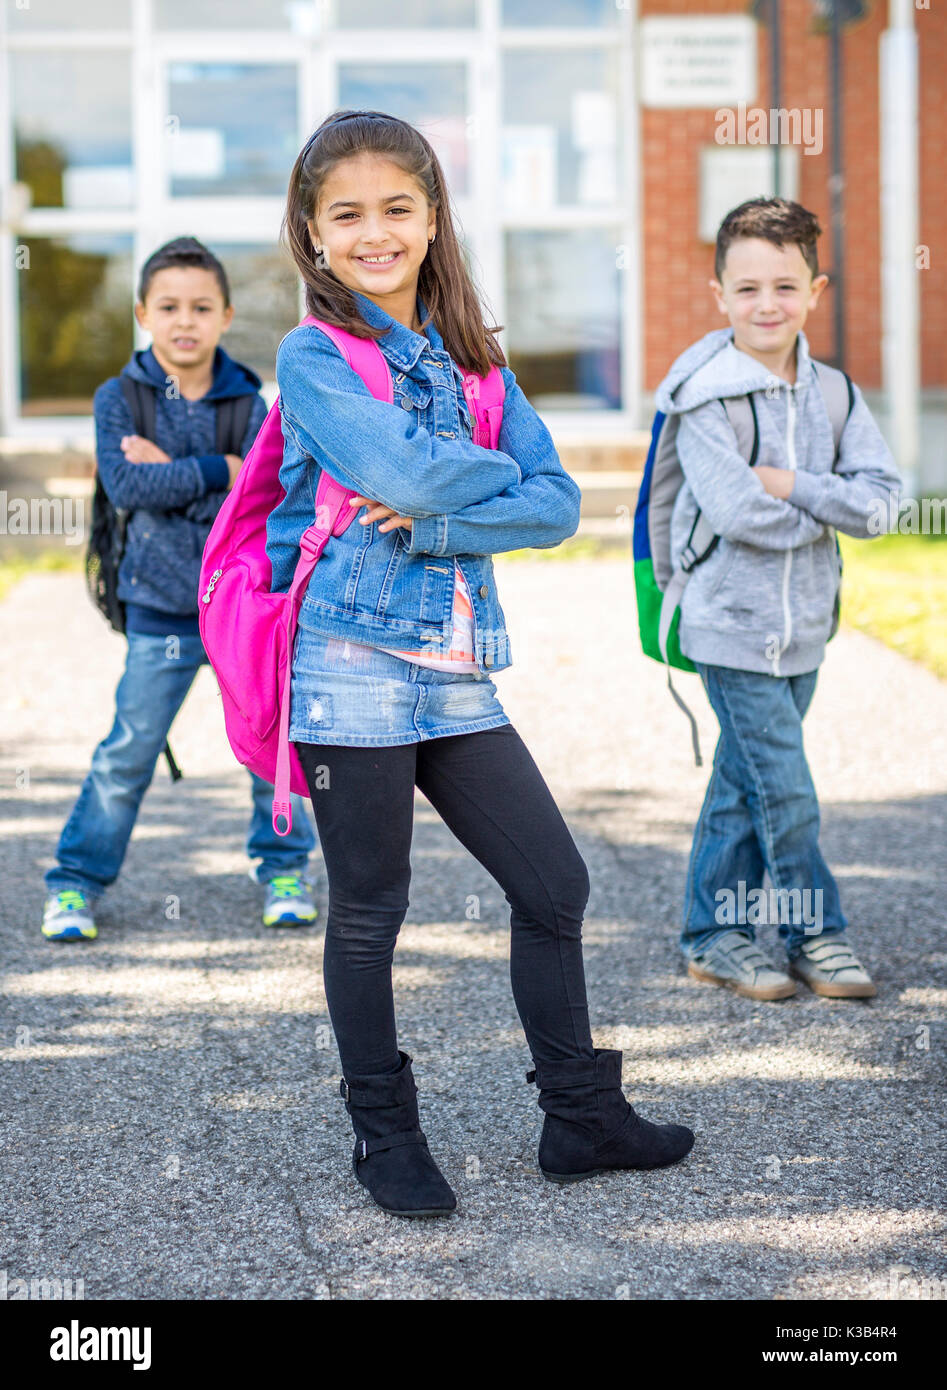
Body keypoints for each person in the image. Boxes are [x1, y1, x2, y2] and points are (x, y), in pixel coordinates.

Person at [269, 109, 695, 1218]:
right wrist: (466, 480)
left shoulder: (475, 358)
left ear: (431, 217)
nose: (375, 232)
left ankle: (579, 1116)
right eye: (347, 214)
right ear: (314, 234)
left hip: (454, 665)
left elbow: (555, 502)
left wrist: (444, 507)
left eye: (396, 209)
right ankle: (384, 1138)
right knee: (370, 909)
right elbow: (397, 475)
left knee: (554, 884)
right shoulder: (315, 355)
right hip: (349, 658)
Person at [654, 197, 901, 1002]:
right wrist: (829, 508)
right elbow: (737, 513)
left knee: (741, 784)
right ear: (718, 293)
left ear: (815, 291)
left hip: (805, 629)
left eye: (785, 287)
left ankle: (710, 935)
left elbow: (884, 504)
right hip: (727, 625)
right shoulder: (702, 395)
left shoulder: (832, 393)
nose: (768, 305)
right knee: (785, 788)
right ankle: (814, 934)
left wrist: (794, 483)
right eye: (748, 288)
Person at [42, 237, 318, 942]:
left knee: (271, 744)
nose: (184, 321)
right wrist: (217, 470)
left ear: (226, 315)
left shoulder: (250, 400)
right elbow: (128, 485)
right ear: (143, 314)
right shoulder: (120, 398)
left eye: (201, 307)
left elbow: (258, 504)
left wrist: (185, 475)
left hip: (240, 608)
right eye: (168, 307)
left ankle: (283, 869)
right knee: (129, 750)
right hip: (160, 609)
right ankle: (74, 883)